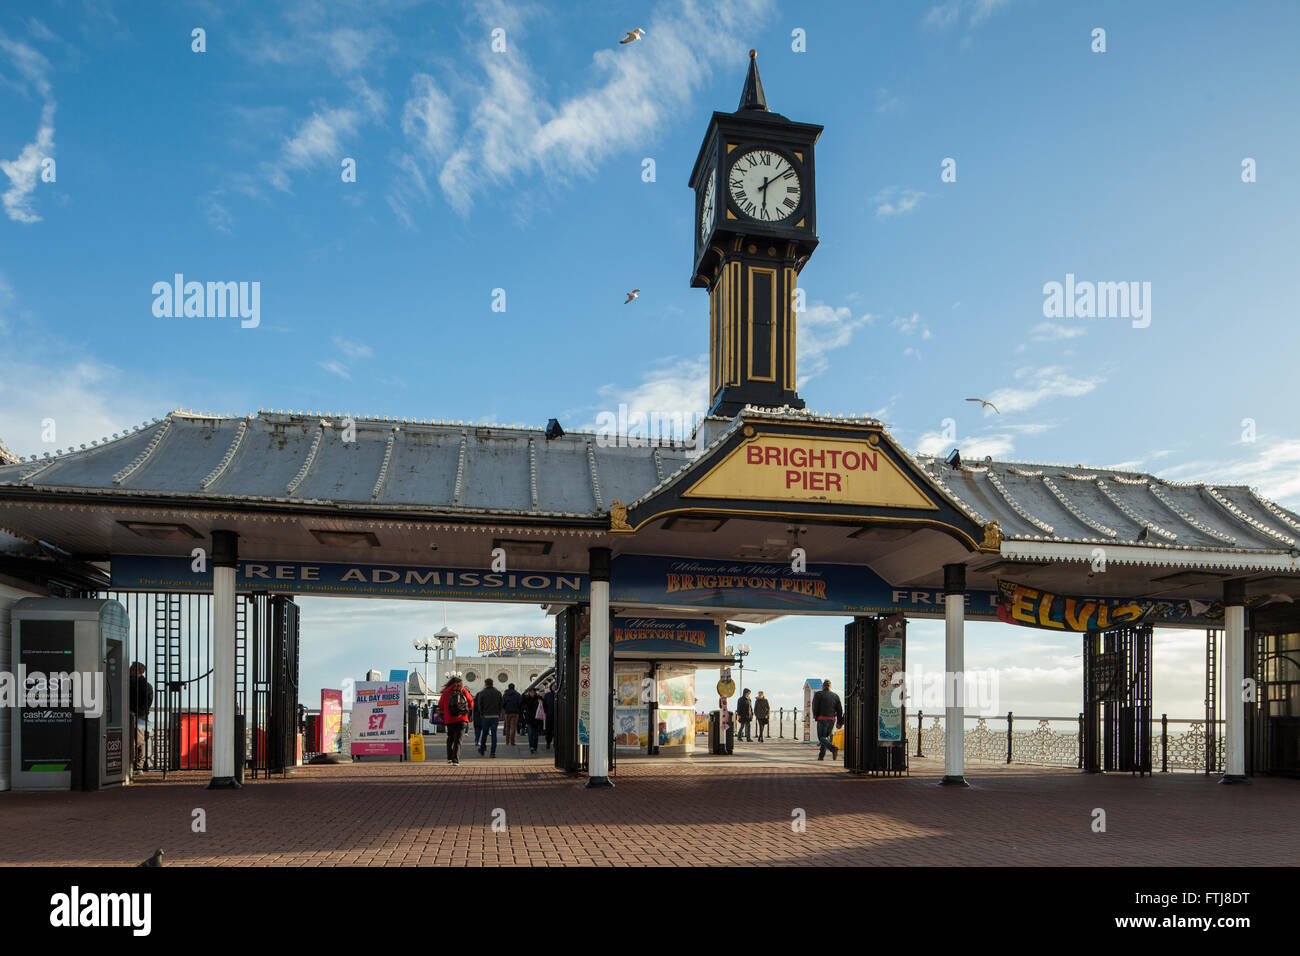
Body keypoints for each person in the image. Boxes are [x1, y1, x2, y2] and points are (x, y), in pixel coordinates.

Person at [439, 676, 473, 765]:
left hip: (450, 719)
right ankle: (455, 760)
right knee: (458, 740)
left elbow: (440, 705)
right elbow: (471, 702)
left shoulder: (446, 692)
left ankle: (449, 758)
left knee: (450, 738)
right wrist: (466, 709)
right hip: (462, 718)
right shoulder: (463, 691)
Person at [128, 662, 153, 774]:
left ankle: (134, 766)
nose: (129, 669)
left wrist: (133, 711)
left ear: (136, 671)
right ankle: (139, 766)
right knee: (140, 742)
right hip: (141, 716)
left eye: (131, 668)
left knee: (135, 742)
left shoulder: (128, 683)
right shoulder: (146, 685)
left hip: (134, 715)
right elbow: (147, 702)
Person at [812, 679, 843, 761]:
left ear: (823, 686)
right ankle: (821, 756)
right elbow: (840, 710)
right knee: (825, 738)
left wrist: (816, 716)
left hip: (822, 719)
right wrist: (840, 722)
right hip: (832, 720)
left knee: (821, 738)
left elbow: (815, 706)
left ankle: (833, 748)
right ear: (830, 686)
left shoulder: (818, 694)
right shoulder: (835, 696)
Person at [476, 678, 503, 757]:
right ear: (492, 683)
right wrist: (498, 713)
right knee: (494, 735)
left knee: (484, 734)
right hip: (495, 716)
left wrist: (481, 714)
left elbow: (480, 705)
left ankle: (482, 749)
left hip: (486, 716)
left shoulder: (482, 693)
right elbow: (501, 704)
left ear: (485, 684)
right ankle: (492, 753)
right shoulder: (498, 693)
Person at [520, 687, 544, 753]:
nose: (532, 693)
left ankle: (535, 746)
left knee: (535, 734)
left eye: (534, 692)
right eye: (531, 692)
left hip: (537, 719)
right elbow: (521, 704)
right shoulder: (526, 698)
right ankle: (531, 747)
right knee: (530, 733)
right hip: (529, 719)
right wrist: (524, 709)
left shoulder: (539, 698)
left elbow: (545, 706)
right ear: (529, 692)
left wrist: (542, 702)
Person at [542, 683, 556, 749]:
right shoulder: (547, 695)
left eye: (555, 686)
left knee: (556, 730)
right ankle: (548, 742)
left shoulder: (558, 694)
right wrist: (546, 711)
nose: (554, 687)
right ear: (551, 687)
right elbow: (544, 704)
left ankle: (555, 743)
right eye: (553, 686)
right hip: (549, 715)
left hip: (557, 715)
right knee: (548, 730)